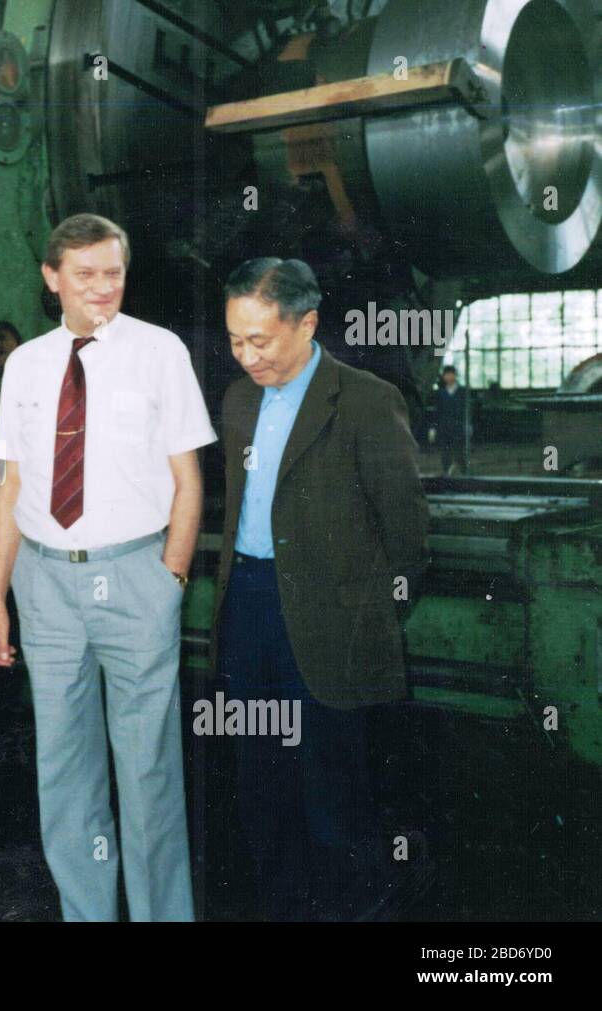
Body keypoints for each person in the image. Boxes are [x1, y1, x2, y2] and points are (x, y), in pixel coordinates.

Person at [0, 213, 215, 922]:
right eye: (85, 275)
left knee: (147, 771)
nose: (102, 288)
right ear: (53, 279)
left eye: (113, 272)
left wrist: (169, 577)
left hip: (135, 578)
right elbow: (12, 486)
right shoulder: (25, 364)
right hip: (45, 584)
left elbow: (189, 480)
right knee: (65, 770)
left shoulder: (160, 352)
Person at [215, 257, 429, 920]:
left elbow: (406, 533)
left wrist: (362, 611)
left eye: (261, 340)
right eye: (233, 339)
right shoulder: (239, 399)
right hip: (249, 607)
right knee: (261, 790)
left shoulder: (364, 400)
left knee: (332, 796)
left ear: (307, 323)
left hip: (329, 621)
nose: (246, 356)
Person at [430, 364, 469, 475]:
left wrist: (468, 425)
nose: (448, 377)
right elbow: (437, 412)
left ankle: (464, 475)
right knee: (445, 454)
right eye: (446, 375)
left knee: (460, 454)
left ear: (455, 376)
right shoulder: (440, 393)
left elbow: (468, 410)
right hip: (444, 428)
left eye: (450, 374)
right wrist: (433, 428)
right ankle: (447, 475)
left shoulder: (463, 392)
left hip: (458, 427)